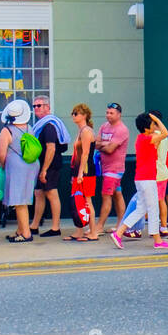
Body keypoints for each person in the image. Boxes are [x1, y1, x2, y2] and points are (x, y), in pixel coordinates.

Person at [111, 112, 168, 249]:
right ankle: (158, 241)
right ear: (146, 127)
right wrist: (156, 118)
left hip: (141, 178)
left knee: (141, 209)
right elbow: (165, 133)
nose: (154, 125)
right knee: (153, 209)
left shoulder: (141, 138)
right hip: (148, 179)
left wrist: (153, 122)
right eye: (152, 123)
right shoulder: (147, 138)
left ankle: (119, 232)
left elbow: (161, 133)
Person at [0, 99, 39, 243]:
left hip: (16, 167)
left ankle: (26, 234)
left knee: (19, 201)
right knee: (24, 199)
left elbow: (0, 154)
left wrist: (3, 166)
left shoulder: (6, 130)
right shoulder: (29, 127)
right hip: (31, 165)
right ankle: (20, 230)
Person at [28, 95, 65, 238]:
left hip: (50, 165)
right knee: (38, 193)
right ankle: (34, 226)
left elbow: (51, 148)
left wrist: (44, 170)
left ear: (47, 107)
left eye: (39, 105)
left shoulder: (49, 126)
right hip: (41, 165)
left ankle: (56, 227)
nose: (36, 108)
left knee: (51, 193)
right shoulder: (41, 125)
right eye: (34, 106)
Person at [93, 103, 130, 234]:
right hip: (105, 167)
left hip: (115, 169)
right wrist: (104, 143)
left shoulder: (121, 129)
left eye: (111, 113)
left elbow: (110, 149)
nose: (108, 115)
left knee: (106, 195)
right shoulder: (104, 126)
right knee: (117, 194)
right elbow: (95, 143)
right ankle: (121, 224)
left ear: (119, 114)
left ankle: (99, 226)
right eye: (107, 112)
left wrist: (103, 145)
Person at [65, 103, 98, 241]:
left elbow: (85, 154)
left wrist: (79, 174)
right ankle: (80, 230)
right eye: (73, 113)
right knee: (78, 200)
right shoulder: (82, 130)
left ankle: (93, 232)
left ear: (84, 115)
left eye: (76, 113)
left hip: (86, 171)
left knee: (87, 201)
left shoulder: (86, 131)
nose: (73, 115)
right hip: (79, 170)